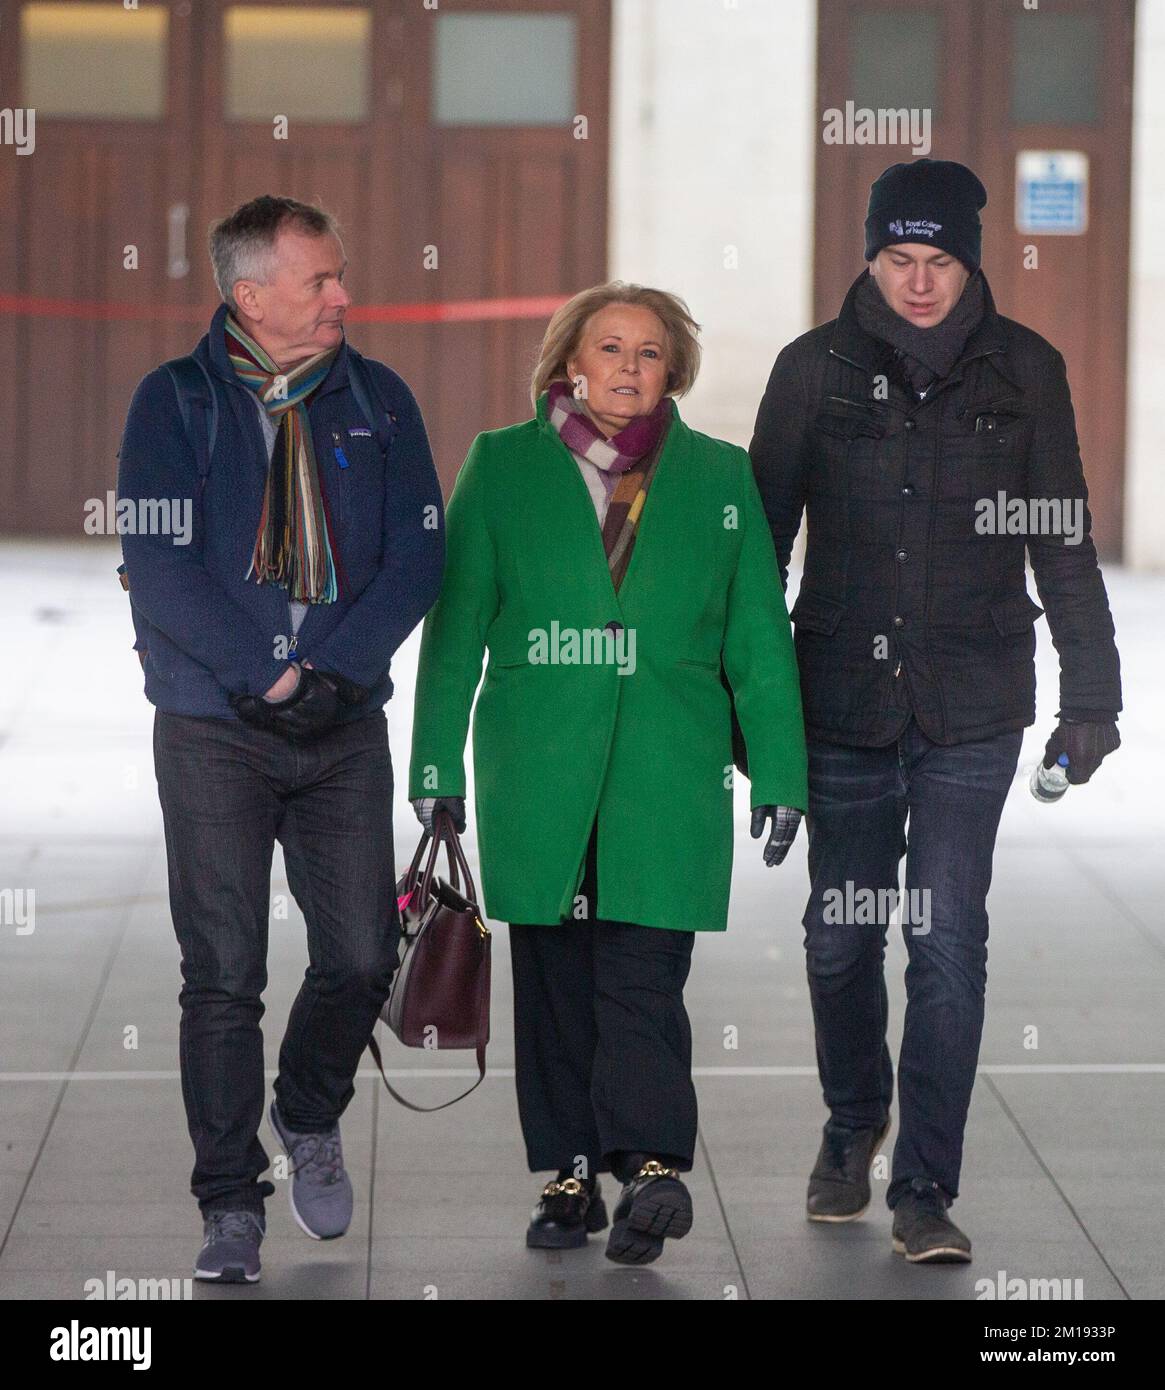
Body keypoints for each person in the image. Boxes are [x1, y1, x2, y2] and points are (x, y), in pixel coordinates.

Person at [750, 159, 1122, 1263]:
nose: (919, 283)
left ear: (971, 261)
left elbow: (1059, 535)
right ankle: (853, 1118)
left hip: (973, 703)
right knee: (836, 938)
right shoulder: (811, 371)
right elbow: (758, 555)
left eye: (940, 261)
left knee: (947, 941)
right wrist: (756, 724)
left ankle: (923, 1188)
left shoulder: (1027, 370)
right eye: (899, 259)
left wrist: (1089, 691)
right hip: (839, 702)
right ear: (869, 257)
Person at [408, 282, 807, 1264]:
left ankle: (656, 1166)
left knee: (643, 974)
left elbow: (758, 630)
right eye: (610, 349)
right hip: (535, 766)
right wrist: (432, 762)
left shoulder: (718, 476)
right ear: (569, 364)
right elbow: (456, 622)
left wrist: (780, 772)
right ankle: (568, 1174)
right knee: (551, 981)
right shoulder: (501, 466)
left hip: (666, 767)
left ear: (673, 369)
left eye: (649, 352)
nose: (629, 368)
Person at [117, 194, 444, 1283]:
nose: (343, 295)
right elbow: (159, 568)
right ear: (250, 295)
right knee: (223, 974)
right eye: (320, 281)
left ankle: (306, 1110)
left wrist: (335, 672)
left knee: (358, 953)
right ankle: (229, 1202)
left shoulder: (378, 399)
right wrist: (265, 671)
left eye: (339, 276)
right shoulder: (174, 404)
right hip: (214, 726)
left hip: (343, 726)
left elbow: (418, 555)